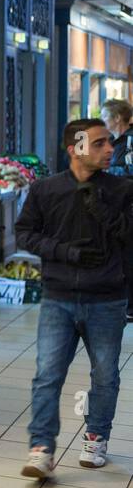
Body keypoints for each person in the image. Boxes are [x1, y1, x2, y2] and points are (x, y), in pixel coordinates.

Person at [15, 119, 133, 478]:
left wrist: (102, 210)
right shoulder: (46, 190)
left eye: (110, 142)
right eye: (99, 144)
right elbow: (25, 234)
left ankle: (96, 437)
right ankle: (41, 448)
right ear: (75, 148)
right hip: (58, 297)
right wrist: (65, 252)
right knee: (47, 375)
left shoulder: (123, 189)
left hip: (107, 299)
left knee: (105, 375)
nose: (110, 149)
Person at [98, 98, 133, 322]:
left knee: (128, 257)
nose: (103, 121)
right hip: (118, 209)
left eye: (105, 117)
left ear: (117, 118)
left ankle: (130, 307)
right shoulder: (115, 141)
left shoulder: (129, 142)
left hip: (128, 210)